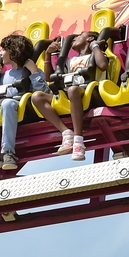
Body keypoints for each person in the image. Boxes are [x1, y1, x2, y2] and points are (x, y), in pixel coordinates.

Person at [0, 34, 50, 175]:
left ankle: (8, 152)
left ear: (13, 51)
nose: (1, 53)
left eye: (4, 50)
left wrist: (34, 72)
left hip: (20, 108)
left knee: (7, 103)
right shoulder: (2, 74)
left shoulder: (30, 71)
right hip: (0, 106)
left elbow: (43, 92)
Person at [31, 30, 109, 162]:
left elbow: (103, 65)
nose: (74, 39)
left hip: (90, 91)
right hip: (70, 94)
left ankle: (78, 140)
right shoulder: (71, 60)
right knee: (37, 97)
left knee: (73, 90)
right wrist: (48, 55)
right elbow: (49, 78)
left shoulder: (97, 54)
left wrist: (95, 47)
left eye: (79, 36)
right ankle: (66, 132)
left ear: (89, 38)